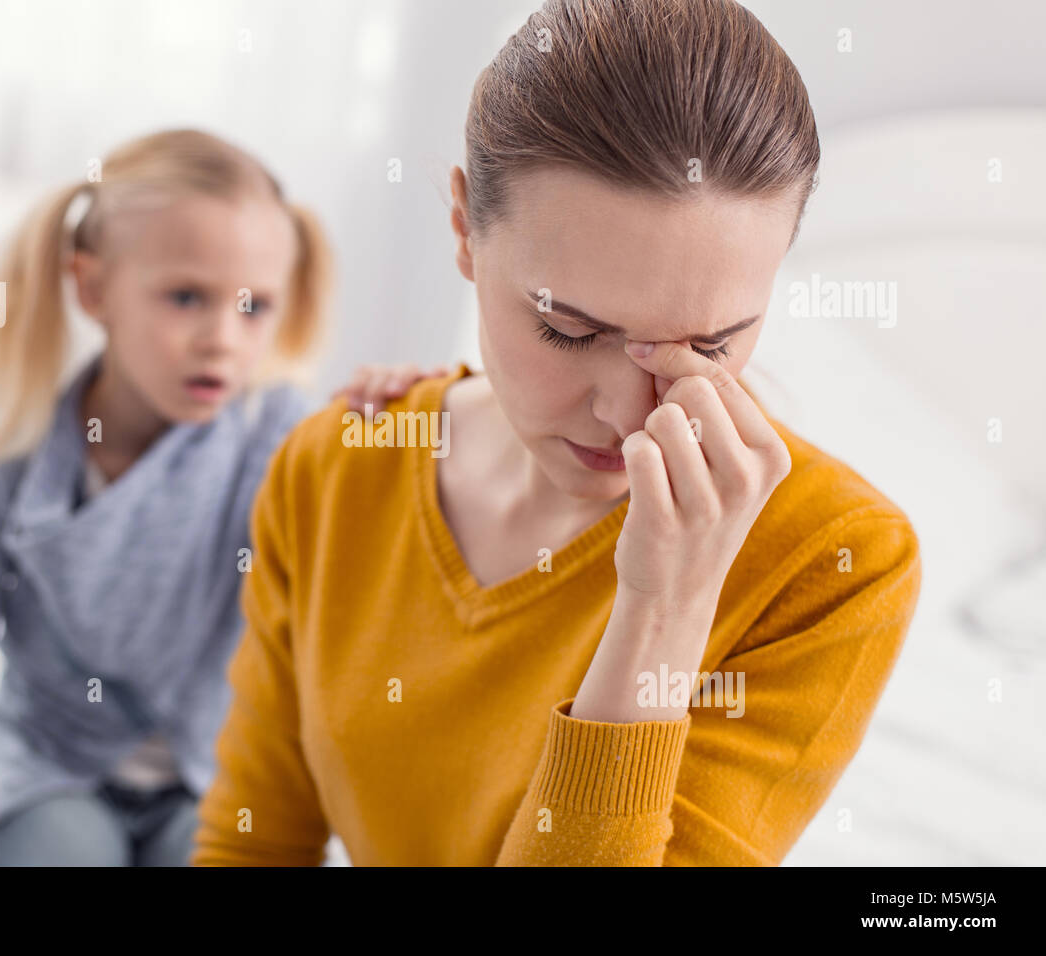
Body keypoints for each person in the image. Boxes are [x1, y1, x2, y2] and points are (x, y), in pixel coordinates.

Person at [190, 0, 923, 866]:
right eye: (570, 330)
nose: (628, 412)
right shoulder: (337, 467)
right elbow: (251, 843)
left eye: (711, 346)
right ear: (465, 228)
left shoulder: (835, 562)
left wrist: (665, 610)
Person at [0, 128, 443, 866]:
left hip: (213, 780)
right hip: (50, 776)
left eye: (254, 308)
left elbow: (394, 548)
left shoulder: (279, 441)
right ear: (93, 288)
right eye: (185, 298)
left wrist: (419, 416)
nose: (222, 341)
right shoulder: (11, 477)